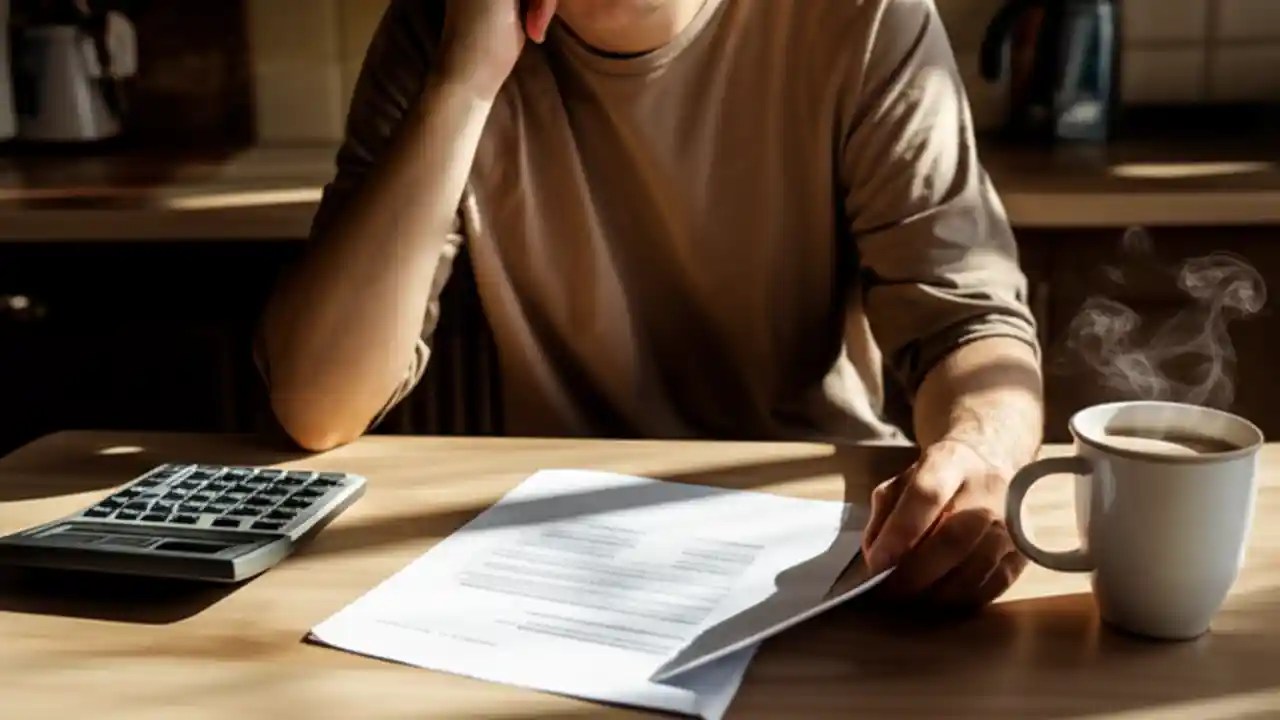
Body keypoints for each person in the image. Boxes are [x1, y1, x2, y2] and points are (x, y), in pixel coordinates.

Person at [257, 0, 1045, 610]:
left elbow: (970, 324)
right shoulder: (446, 24)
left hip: (814, 534)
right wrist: (462, 82)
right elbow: (317, 404)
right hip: (550, 545)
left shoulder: (863, 15)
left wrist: (980, 450)